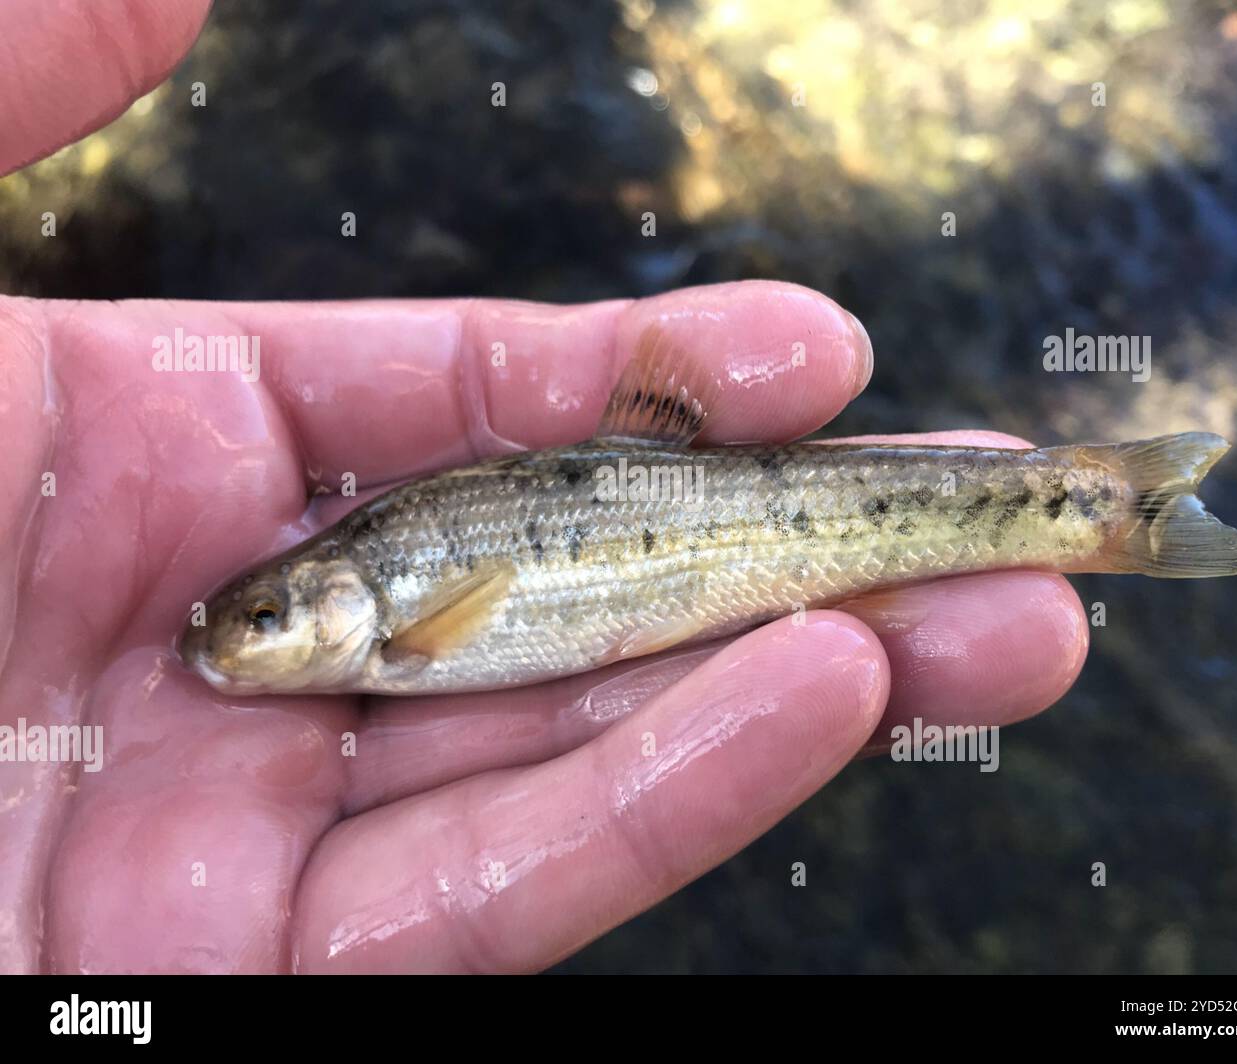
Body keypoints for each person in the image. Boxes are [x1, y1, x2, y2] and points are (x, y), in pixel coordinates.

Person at [0, 1, 1087, 973]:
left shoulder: (396, 628)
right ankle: (1076, 505)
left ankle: (1081, 508)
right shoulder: (367, 610)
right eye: (261, 616)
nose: (232, 639)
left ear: (333, 597)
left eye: (265, 615)